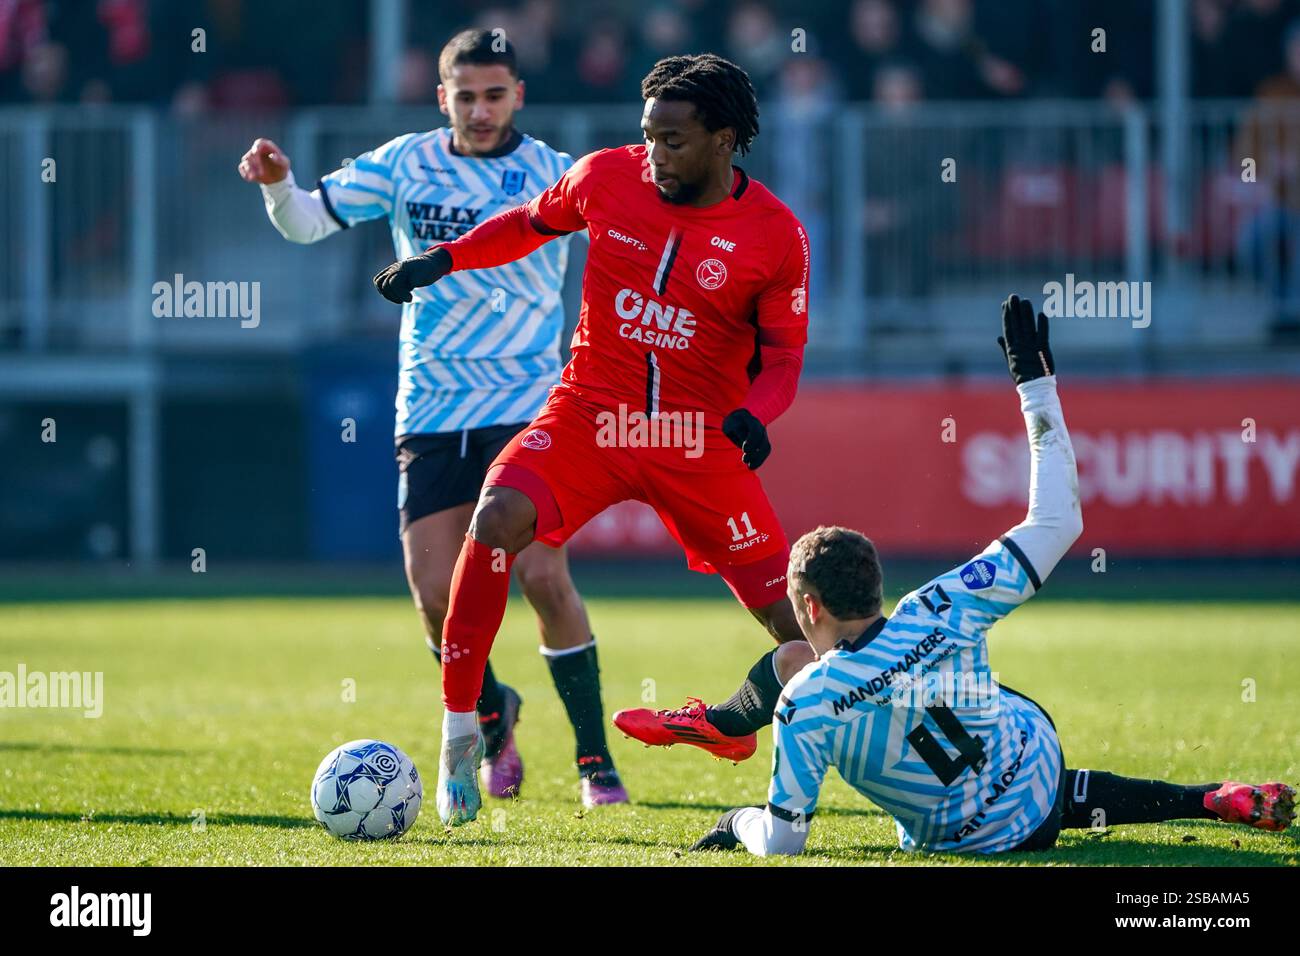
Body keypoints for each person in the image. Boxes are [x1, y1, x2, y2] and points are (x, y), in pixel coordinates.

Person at [686, 296, 1296, 856]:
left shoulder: (805, 703)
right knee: (992, 708)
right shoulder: (939, 605)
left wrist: (738, 820)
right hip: (1034, 768)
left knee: (874, 715)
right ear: (874, 586)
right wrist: (1035, 385)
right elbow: (1058, 521)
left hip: (966, 841)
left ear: (810, 608)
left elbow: (783, 844)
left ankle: (1189, 798)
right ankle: (1202, 798)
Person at [374, 53, 813, 825]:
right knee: (497, 518)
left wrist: (755, 414)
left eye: (672, 141)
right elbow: (528, 223)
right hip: (590, 415)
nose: (654, 156)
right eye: (646, 137)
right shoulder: (607, 177)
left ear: (724, 138)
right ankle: (459, 735)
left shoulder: (776, 236)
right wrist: (443, 260)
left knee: (804, 630)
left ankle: (743, 724)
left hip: (696, 441)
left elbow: (782, 360)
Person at [238, 28, 627, 809]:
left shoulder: (555, 174)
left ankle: (595, 762)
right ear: (441, 96)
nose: (481, 111)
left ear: (519, 96)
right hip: (431, 401)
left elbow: (632, 239)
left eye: (495, 95)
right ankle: (494, 715)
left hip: (526, 402)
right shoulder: (404, 162)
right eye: (466, 96)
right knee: (434, 595)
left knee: (543, 575)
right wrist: (280, 186)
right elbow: (309, 222)